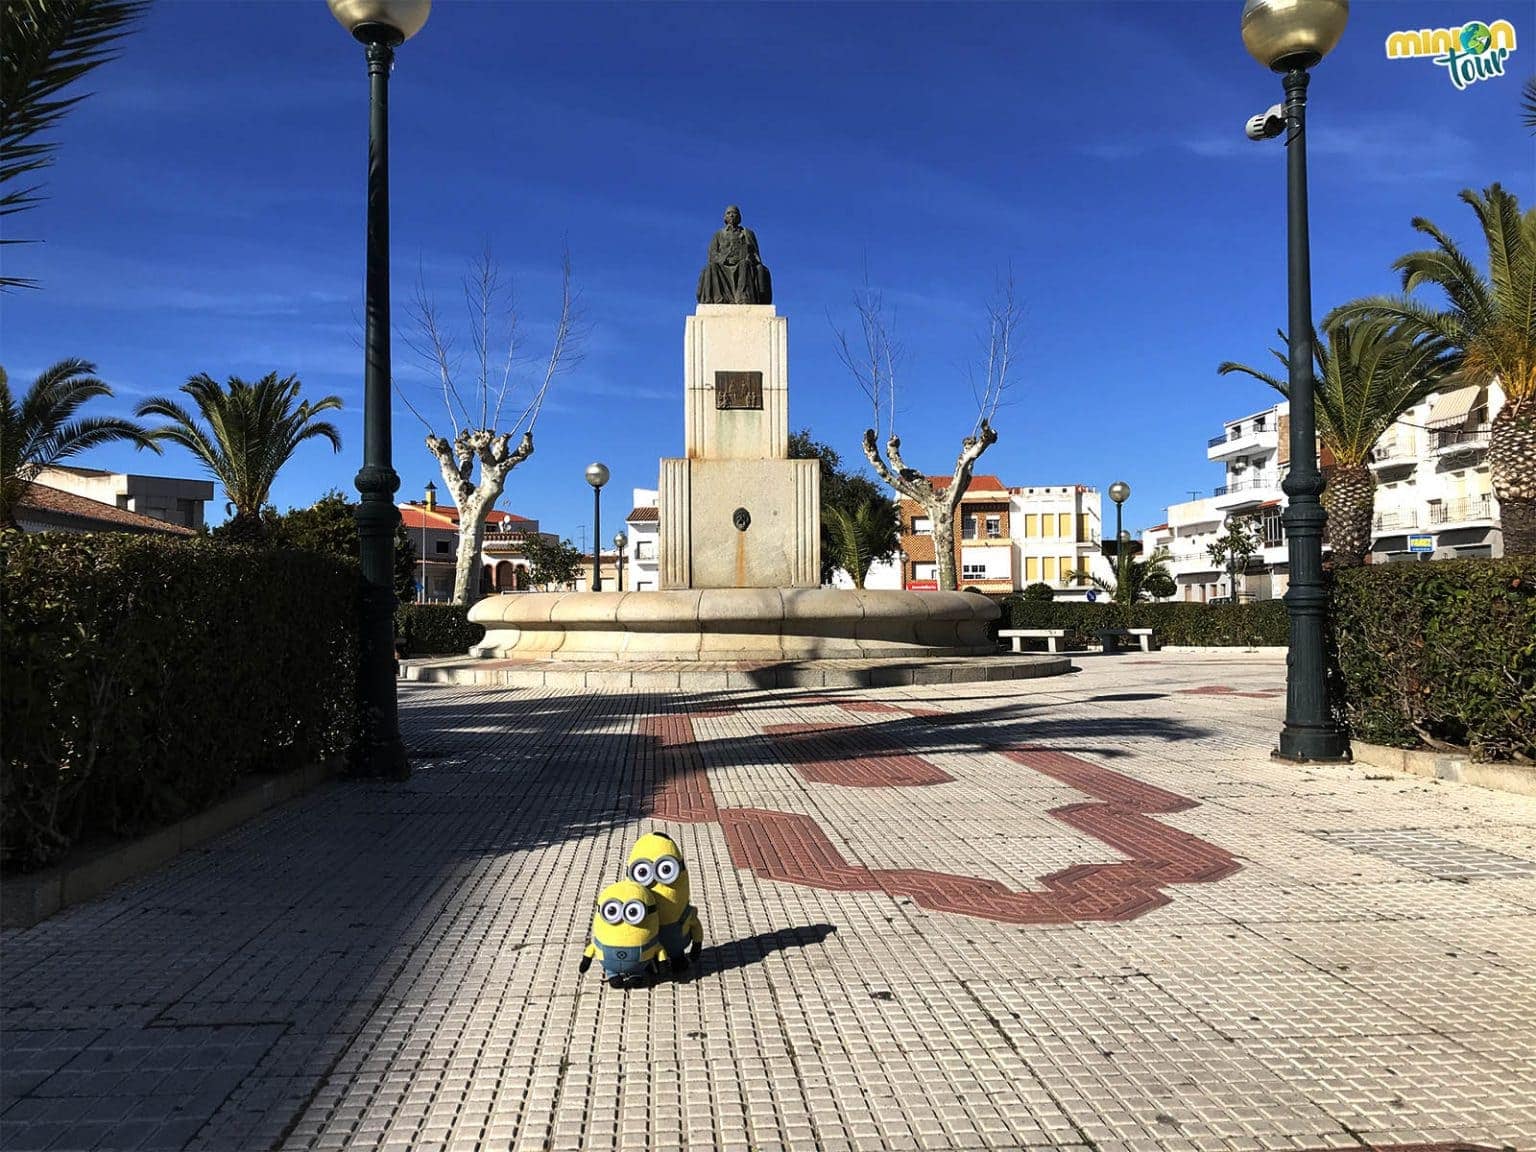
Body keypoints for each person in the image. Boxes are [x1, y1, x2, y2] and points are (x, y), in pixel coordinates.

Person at [696, 205, 772, 305]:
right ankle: (719, 298)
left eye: (734, 213)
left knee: (745, 264)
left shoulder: (747, 233)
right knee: (712, 267)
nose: (731, 215)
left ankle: (743, 297)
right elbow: (712, 254)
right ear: (725, 217)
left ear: (739, 217)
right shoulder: (718, 234)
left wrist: (748, 256)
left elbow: (755, 254)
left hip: (742, 264)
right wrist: (725, 258)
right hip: (723, 265)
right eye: (729, 213)